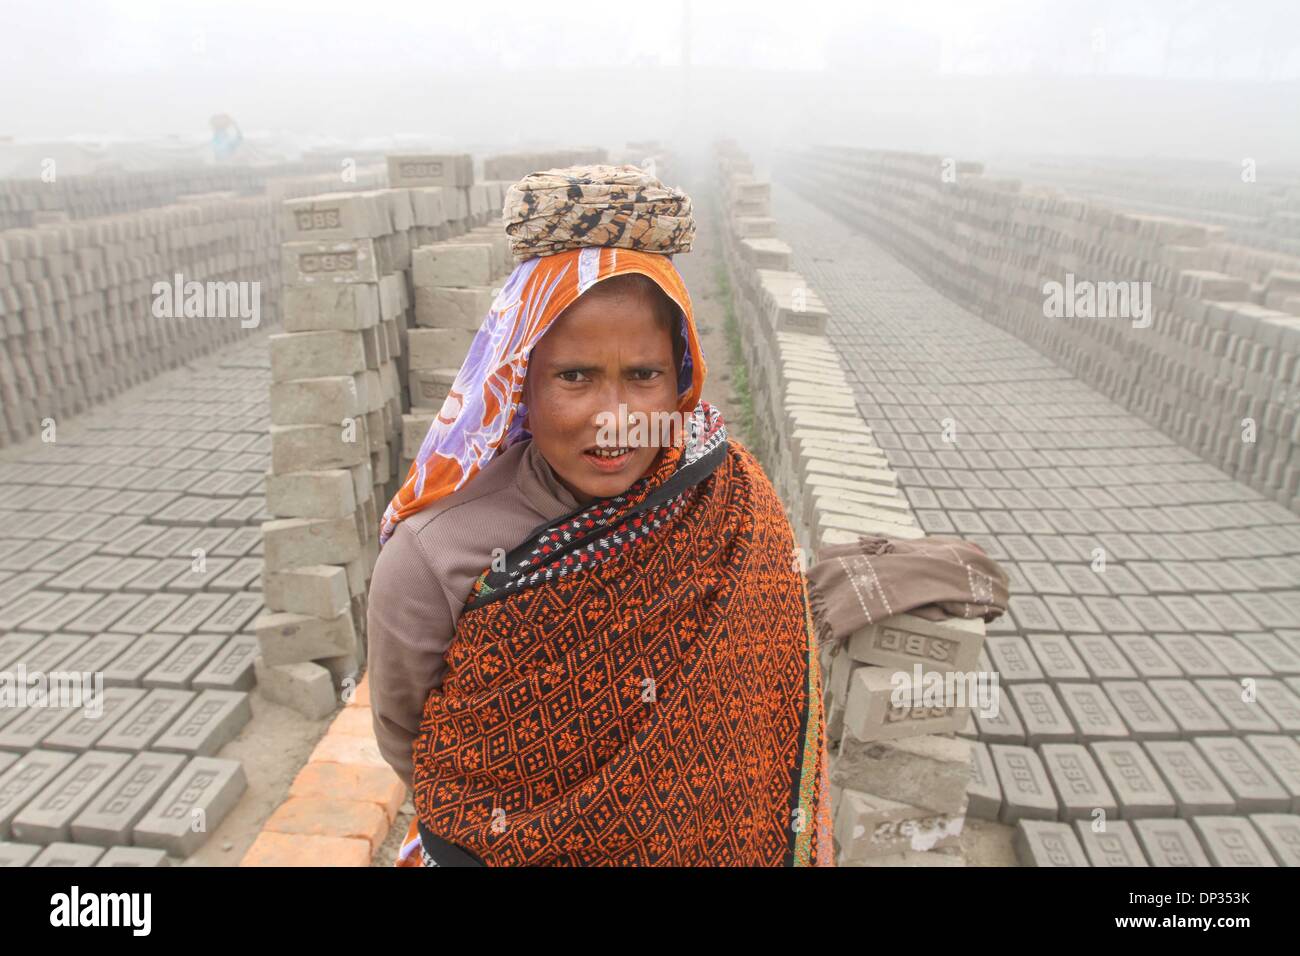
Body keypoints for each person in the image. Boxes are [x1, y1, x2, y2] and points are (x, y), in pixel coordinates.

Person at [366, 165, 833, 866]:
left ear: (682, 377)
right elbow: (411, 737)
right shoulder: (433, 555)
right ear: (520, 379)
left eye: (643, 375)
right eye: (575, 376)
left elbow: (767, 715)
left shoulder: (731, 500)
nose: (614, 419)